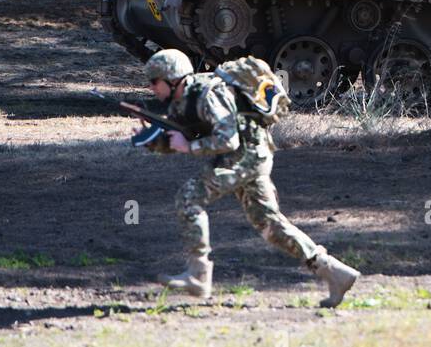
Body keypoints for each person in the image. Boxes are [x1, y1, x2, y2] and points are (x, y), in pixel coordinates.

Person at [138, 48, 360, 306]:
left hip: (246, 158)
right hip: (252, 157)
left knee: (190, 196)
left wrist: (190, 147)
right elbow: (187, 135)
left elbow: (227, 139)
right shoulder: (183, 98)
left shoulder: (208, 95)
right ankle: (334, 272)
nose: (151, 88)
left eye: (154, 82)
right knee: (270, 226)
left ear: (172, 78)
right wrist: (153, 142)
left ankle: (199, 275)